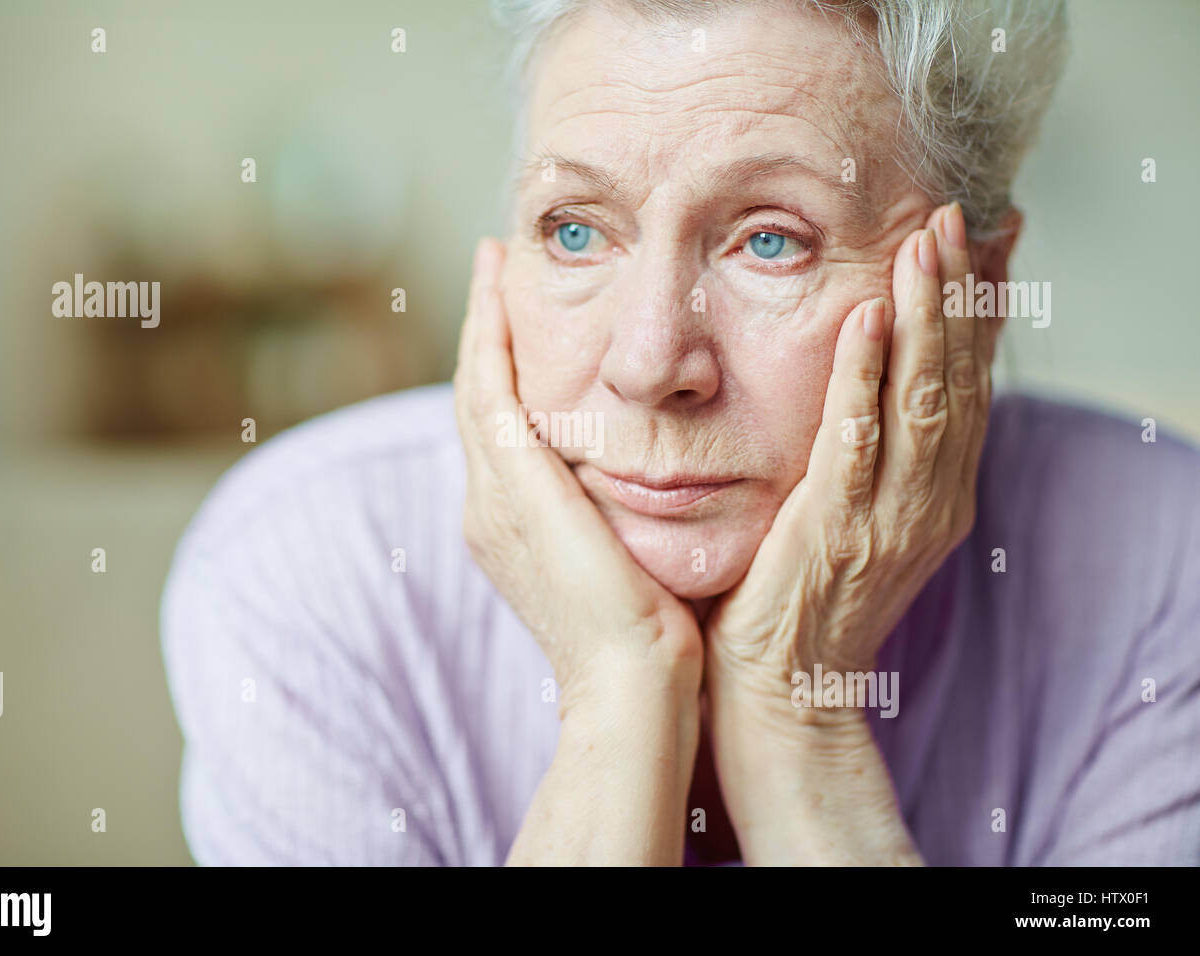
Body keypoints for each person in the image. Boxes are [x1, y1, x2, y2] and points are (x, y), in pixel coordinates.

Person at [161, 0, 1200, 865]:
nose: (650, 361)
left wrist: (798, 723)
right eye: (575, 230)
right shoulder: (305, 576)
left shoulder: (1162, 571)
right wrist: (619, 703)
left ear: (973, 287)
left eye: (769, 240)